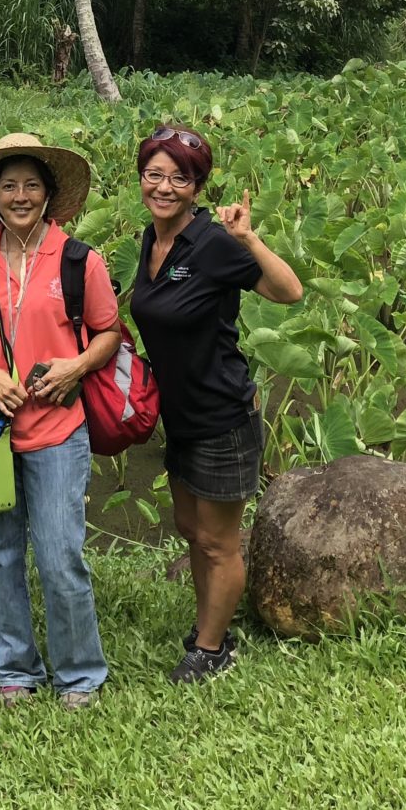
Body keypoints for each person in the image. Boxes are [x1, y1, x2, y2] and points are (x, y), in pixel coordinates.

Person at [0, 135, 118, 709]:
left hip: (58, 429)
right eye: (8, 186)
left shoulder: (79, 260)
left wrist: (76, 366)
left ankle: (80, 673)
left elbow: (110, 333)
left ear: (49, 194)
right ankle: (15, 668)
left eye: (31, 185)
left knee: (60, 553)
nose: (20, 196)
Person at [126, 125, 303, 683]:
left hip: (223, 415)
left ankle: (212, 648)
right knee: (188, 526)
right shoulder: (152, 240)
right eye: (155, 174)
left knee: (217, 540)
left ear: (197, 187)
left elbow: (288, 292)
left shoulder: (212, 244)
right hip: (178, 414)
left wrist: (249, 240)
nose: (164, 186)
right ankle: (210, 624)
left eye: (180, 177)